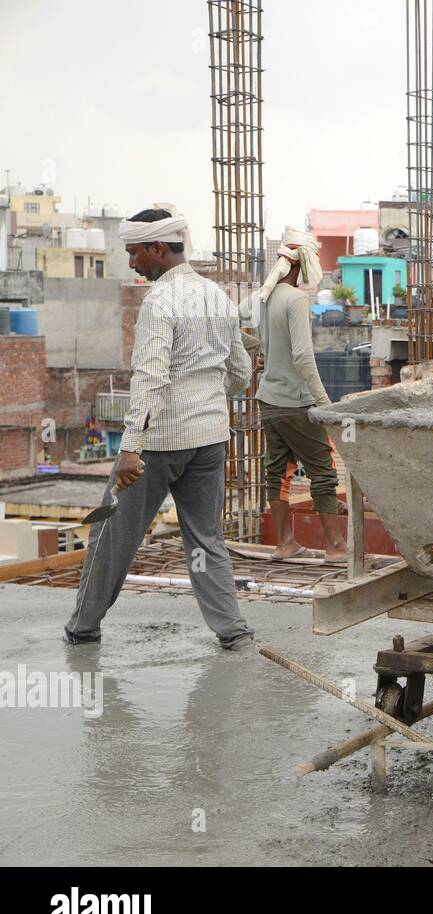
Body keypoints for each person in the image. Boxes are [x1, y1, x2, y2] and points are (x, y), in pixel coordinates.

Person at [63, 208, 256, 651]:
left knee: (113, 534)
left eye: (134, 253)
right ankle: (232, 630)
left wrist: (131, 447)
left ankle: (83, 627)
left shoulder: (160, 302)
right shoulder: (216, 295)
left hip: (157, 443)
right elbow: (240, 371)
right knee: (205, 539)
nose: (132, 263)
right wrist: (206, 401)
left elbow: (150, 378)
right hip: (209, 439)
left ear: (157, 248)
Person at [254, 226, 347, 561]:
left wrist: (262, 351)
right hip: (295, 402)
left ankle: (284, 544)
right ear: (299, 263)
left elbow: (235, 324)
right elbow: (303, 357)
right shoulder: (295, 300)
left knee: (277, 473)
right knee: (323, 472)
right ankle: (336, 547)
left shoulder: (263, 296)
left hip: (268, 400)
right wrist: (324, 404)